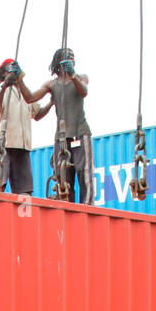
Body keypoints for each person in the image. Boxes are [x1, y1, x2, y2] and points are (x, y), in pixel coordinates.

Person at [0, 58, 51, 196]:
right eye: (9, 68)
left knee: (25, 193)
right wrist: (5, 85)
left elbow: (37, 114)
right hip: (4, 145)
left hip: (23, 147)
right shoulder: (2, 90)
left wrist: (52, 102)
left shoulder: (25, 93)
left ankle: (24, 217)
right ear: (3, 74)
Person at [37, 47, 93, 203]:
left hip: (81, 133)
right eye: (69, 57)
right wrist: (18, 80)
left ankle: (88, 207)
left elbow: (84, 91)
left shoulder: (81, 78)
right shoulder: (51, 85)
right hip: (61, 138)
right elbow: (31, 98)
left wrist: (72, 75)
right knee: (63, 177)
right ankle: (67, 209)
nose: (72, 59)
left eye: (73, 57)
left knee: (84, 173)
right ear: (59, 61)